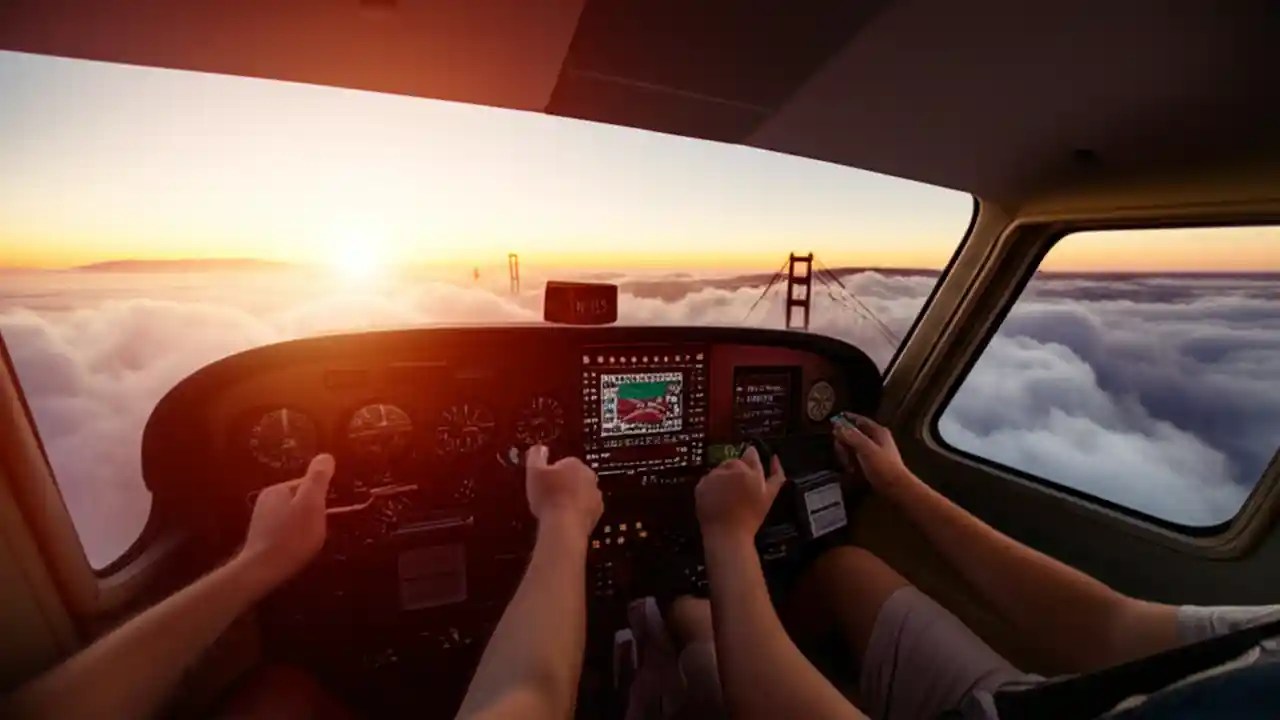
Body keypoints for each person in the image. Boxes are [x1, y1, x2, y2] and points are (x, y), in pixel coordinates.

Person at [684, 414, 1280, 720]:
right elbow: (1109, 628)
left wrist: (728, 535)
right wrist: (898, 485)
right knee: (846, 568)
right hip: (1034, 705)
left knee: (694, 631)